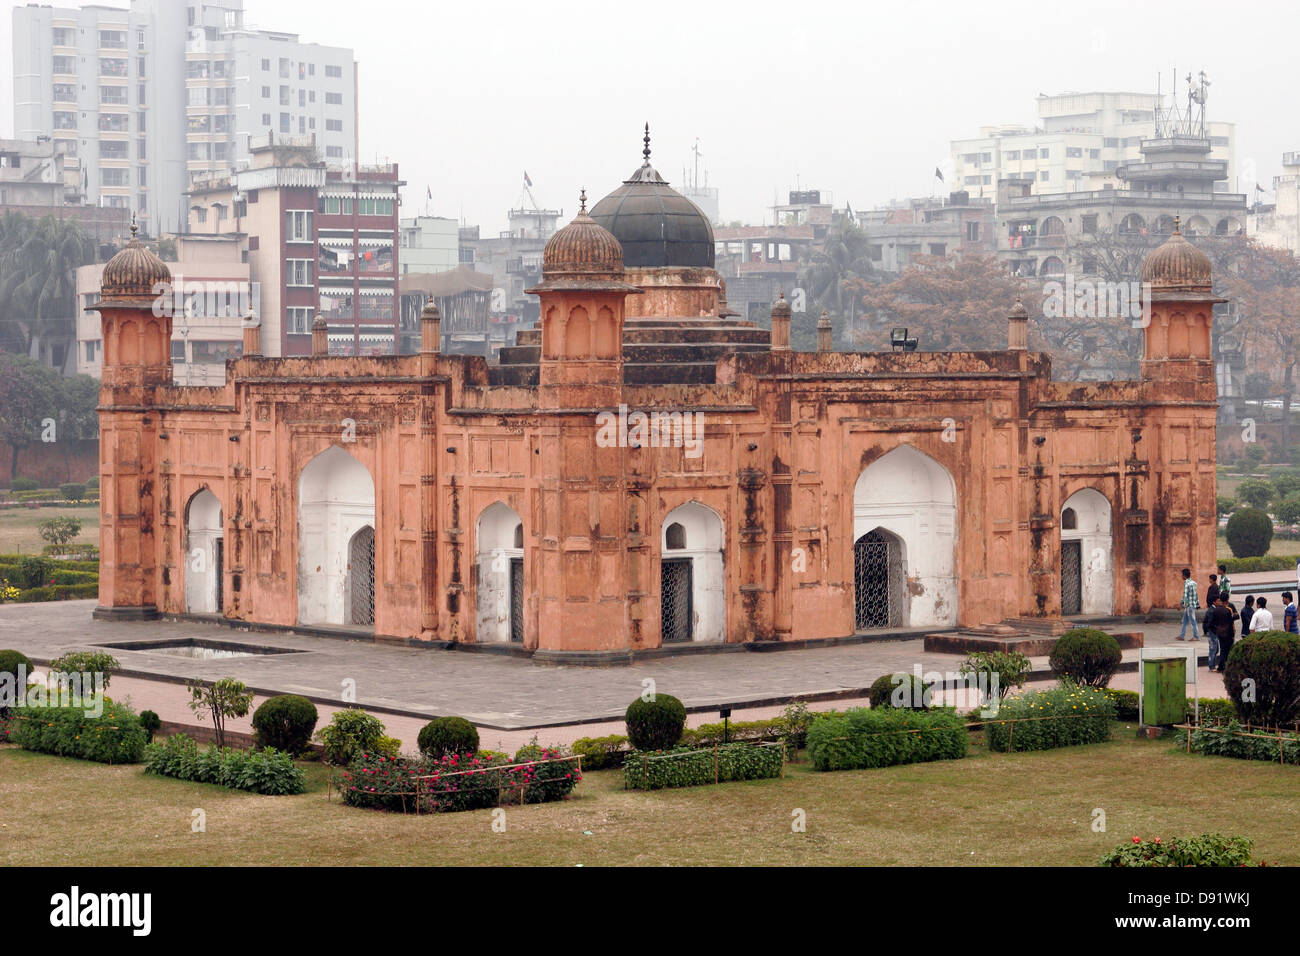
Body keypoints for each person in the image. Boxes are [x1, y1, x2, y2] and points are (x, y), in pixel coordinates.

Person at [1208, 593, 1237, 673]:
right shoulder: (1228, 610)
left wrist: (1216, 630)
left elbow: (1211, 623)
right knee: (1227, 650)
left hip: (1220, 633)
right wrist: (1232, 634)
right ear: (1227, 599)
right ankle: (1225, 666)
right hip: (1227, 633)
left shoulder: (1216, 610)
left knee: (1222, 649)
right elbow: (1230, 623)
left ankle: (1221, 666)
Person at [1177, 568, 1199, 641]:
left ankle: (1196, 636)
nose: (1181, 576)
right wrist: (1197, 604)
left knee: (1193, 621)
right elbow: (1196, 595)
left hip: (1189, 606)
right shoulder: (1194, 583)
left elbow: (1185, 595)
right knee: (1184, 621)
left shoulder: (1186, 583)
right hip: (1191, 605)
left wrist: (1181, 604)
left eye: (1182, 575)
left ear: (1184, 575)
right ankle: (1182, 635)